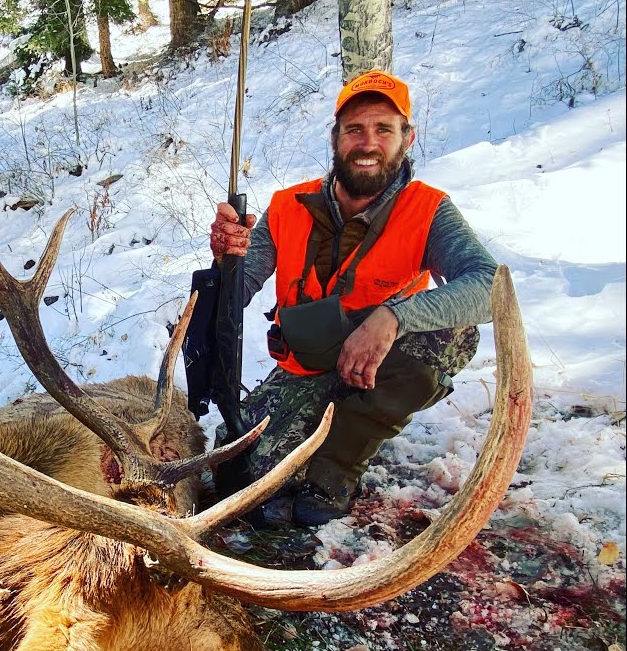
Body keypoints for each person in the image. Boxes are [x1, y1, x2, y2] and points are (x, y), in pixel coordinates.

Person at [209, 69, 497, 526]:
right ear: (336, 137)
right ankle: (303, 444)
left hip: (376, 362)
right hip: (306, 367)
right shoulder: (288, 206)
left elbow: (488, 285)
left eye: (384, 129)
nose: (368, 143)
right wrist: (228, 259)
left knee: (451, 330)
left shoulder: (428, 209)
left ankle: (334, 470)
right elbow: (234, 293)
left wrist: (392, 316)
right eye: (355, 130)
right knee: (233, 476)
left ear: (408, 138)